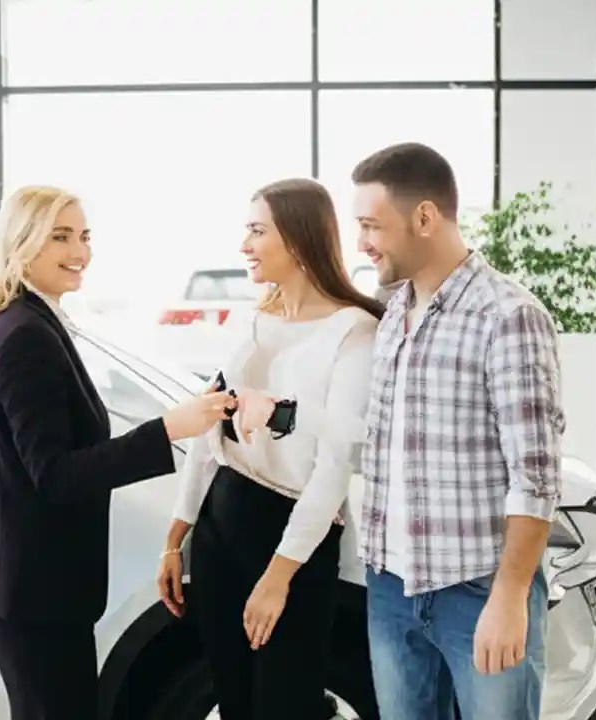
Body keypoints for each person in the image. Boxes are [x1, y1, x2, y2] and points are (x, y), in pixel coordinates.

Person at [0, 185, 237, 720]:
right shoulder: (25, 335)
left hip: (40, 590)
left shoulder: (37, 321)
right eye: (60, 237)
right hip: (34, 593)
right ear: (22, 243)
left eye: (84, 236)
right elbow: (55, 475)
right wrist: (168, 430)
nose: (80, 252)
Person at [349, 142, 565, 720]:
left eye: (371, 225)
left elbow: (536, 477)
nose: (362, 242)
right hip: (391, 586)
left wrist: (510, 597)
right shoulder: (393, 312)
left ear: (424, 217)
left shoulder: (509, 316)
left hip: (479, 589)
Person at [157, 178, 383, 719]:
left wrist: (279, 577)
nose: (244, 245)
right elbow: (210, 431)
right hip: (221, 526)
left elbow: (333, 470)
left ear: (299, 239)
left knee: (285, 704)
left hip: (292, 537)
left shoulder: (354, 332)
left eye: (257, 231)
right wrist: (175, 537)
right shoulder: (256, 319)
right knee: (233, 702)